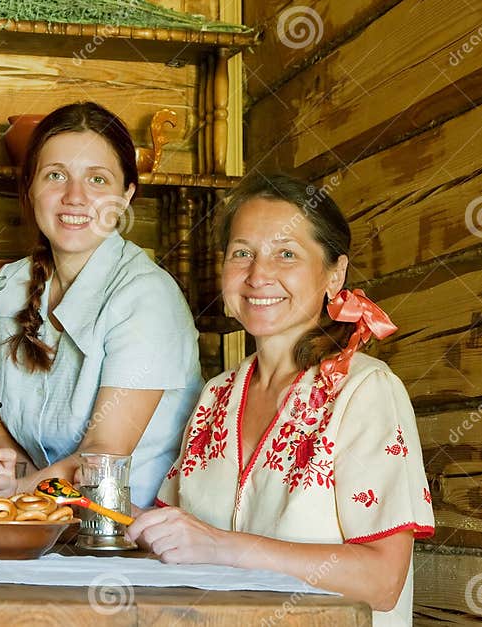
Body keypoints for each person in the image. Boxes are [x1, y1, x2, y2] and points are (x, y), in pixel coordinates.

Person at [127, 175, 434, 626]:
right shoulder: (216, 395)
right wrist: (64, 500)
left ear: (335, 274)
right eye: (242, 253)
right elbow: (176, 535)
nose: (258, 275)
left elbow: (382, 580)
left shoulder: (364, 390)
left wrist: (221, 547)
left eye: (285, 253)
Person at [0, 102, 203, 507]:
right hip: (49, 526)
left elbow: (103, 457)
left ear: (126, 194)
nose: (75, 197)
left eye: (97, 179)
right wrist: (10, 484)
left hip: (135, 536)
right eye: (56, 175)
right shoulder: (11, 286)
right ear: (30, 187)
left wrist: (20, 494)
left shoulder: (147, 297)